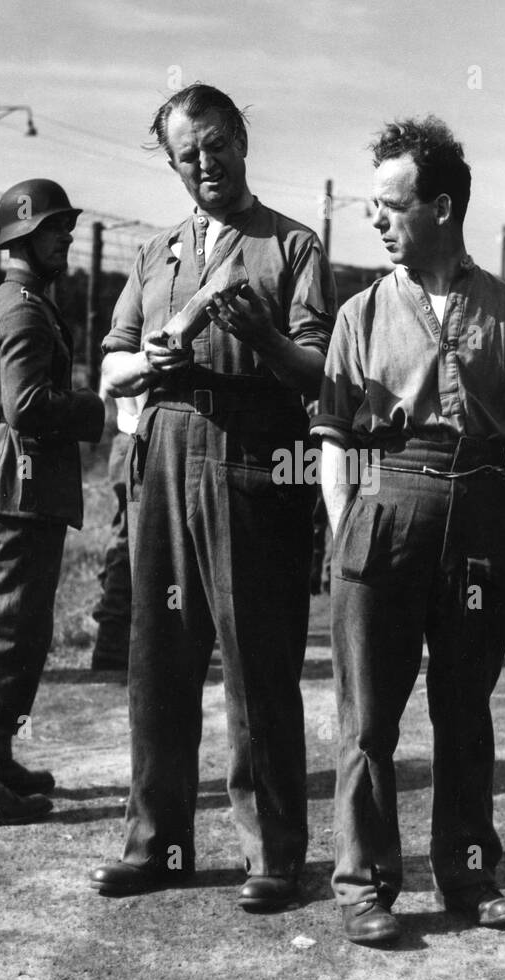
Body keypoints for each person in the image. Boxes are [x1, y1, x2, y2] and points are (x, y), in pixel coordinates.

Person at [90, 84, 334, 912]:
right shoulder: (156, 253)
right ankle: (156, 846)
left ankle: (275, 855)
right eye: (186, 152)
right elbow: (109, 367)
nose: (205, 162)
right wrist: (144, 364)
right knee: (157, 656)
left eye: (217, 142)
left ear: (242, 139)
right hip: (162, 449)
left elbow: (319, 368)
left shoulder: (291, 246)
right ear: (171, 163)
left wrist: (262, 340)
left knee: (259, 659)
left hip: (255, 457)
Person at [315, 117, 505, 946]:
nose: (375, 219)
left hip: (481, 513)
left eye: (392, 204)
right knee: (369, 715)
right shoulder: (359, 314)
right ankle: (364, 883)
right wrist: (348, 526)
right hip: (387, 511)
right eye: (371, 205)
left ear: (442, 207)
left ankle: (469, 870)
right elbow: (335, 437)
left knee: (466, 708)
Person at [0, 178, 105, 828]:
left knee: (24, 633)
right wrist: (96, 409)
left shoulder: (3, 303)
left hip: (7, 485)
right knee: (3, 637)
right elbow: (27, 406)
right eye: (54, 228)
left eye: (65, 226)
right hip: (17, 491)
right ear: (21, 236)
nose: (66, 237)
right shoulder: (22, 311)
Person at [89, 367, 138, 672]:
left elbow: (103, 390)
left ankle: (116, 641)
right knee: (126, 544)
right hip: (138, 439)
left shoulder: (120, 332)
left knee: (126, 540)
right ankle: (111, 645)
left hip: (124, 440)